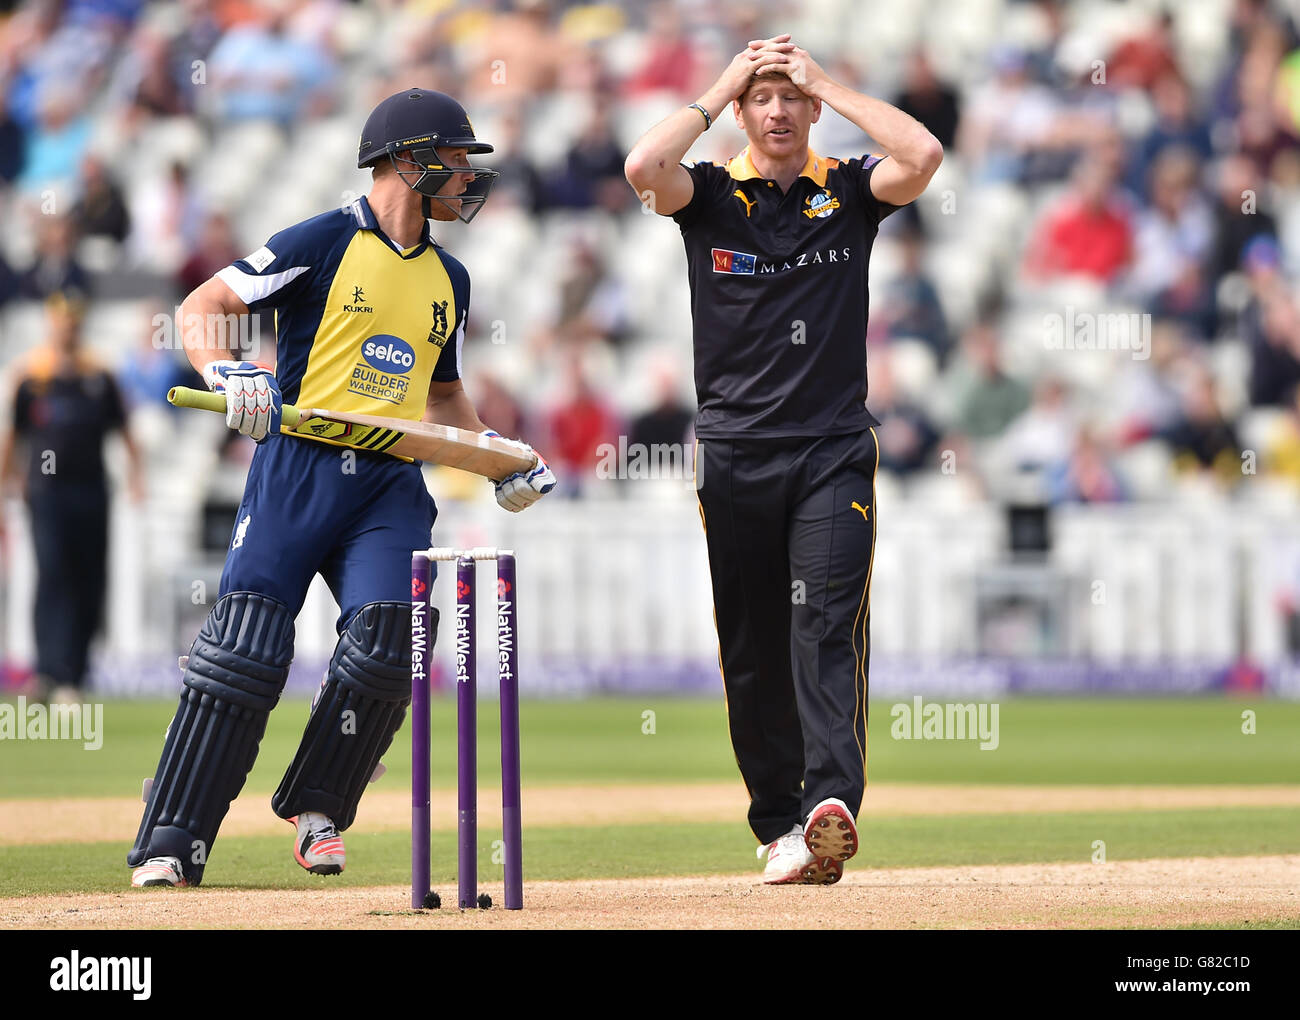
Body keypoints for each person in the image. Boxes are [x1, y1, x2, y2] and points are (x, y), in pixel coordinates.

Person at [127, 88, 556, 889]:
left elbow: (446, 403)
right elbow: (204, 304)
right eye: (453, 158)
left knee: (392, 647)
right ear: (403, 159)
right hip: (300, 465)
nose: (466, 174)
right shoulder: (322, 241)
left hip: (388, 481)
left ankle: (318, 808)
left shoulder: (451, 280)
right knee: (244, 656)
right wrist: (223, 369)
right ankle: (172, 840)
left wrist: (499, 457)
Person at [625, 34, 942, 884]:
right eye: (761, 99)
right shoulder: (709, 197)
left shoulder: (847, 190)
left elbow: (923, 154)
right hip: (734, 454)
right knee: (752, 644)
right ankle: (779, 824)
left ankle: (830, 801)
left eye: (788, 98)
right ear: (740, 111)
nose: (776, 111)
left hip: (833, 451)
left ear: (808, 110)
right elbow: (642, 164)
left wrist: (828, 82)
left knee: (823, 624)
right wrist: (724, 78)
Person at [0, 293, 145, 703]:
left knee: (89, 578)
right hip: (46, 493)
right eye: (61, 320)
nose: (68, 327)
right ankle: (48, 672)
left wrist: (136, 478)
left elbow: (126, 430)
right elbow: (13, 437)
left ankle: (74, 677)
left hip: (91, 491)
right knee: (53, 575)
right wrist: (5, 484)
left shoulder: (98, 375)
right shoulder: (32, 376)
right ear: (51, 322)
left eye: (73, 320)